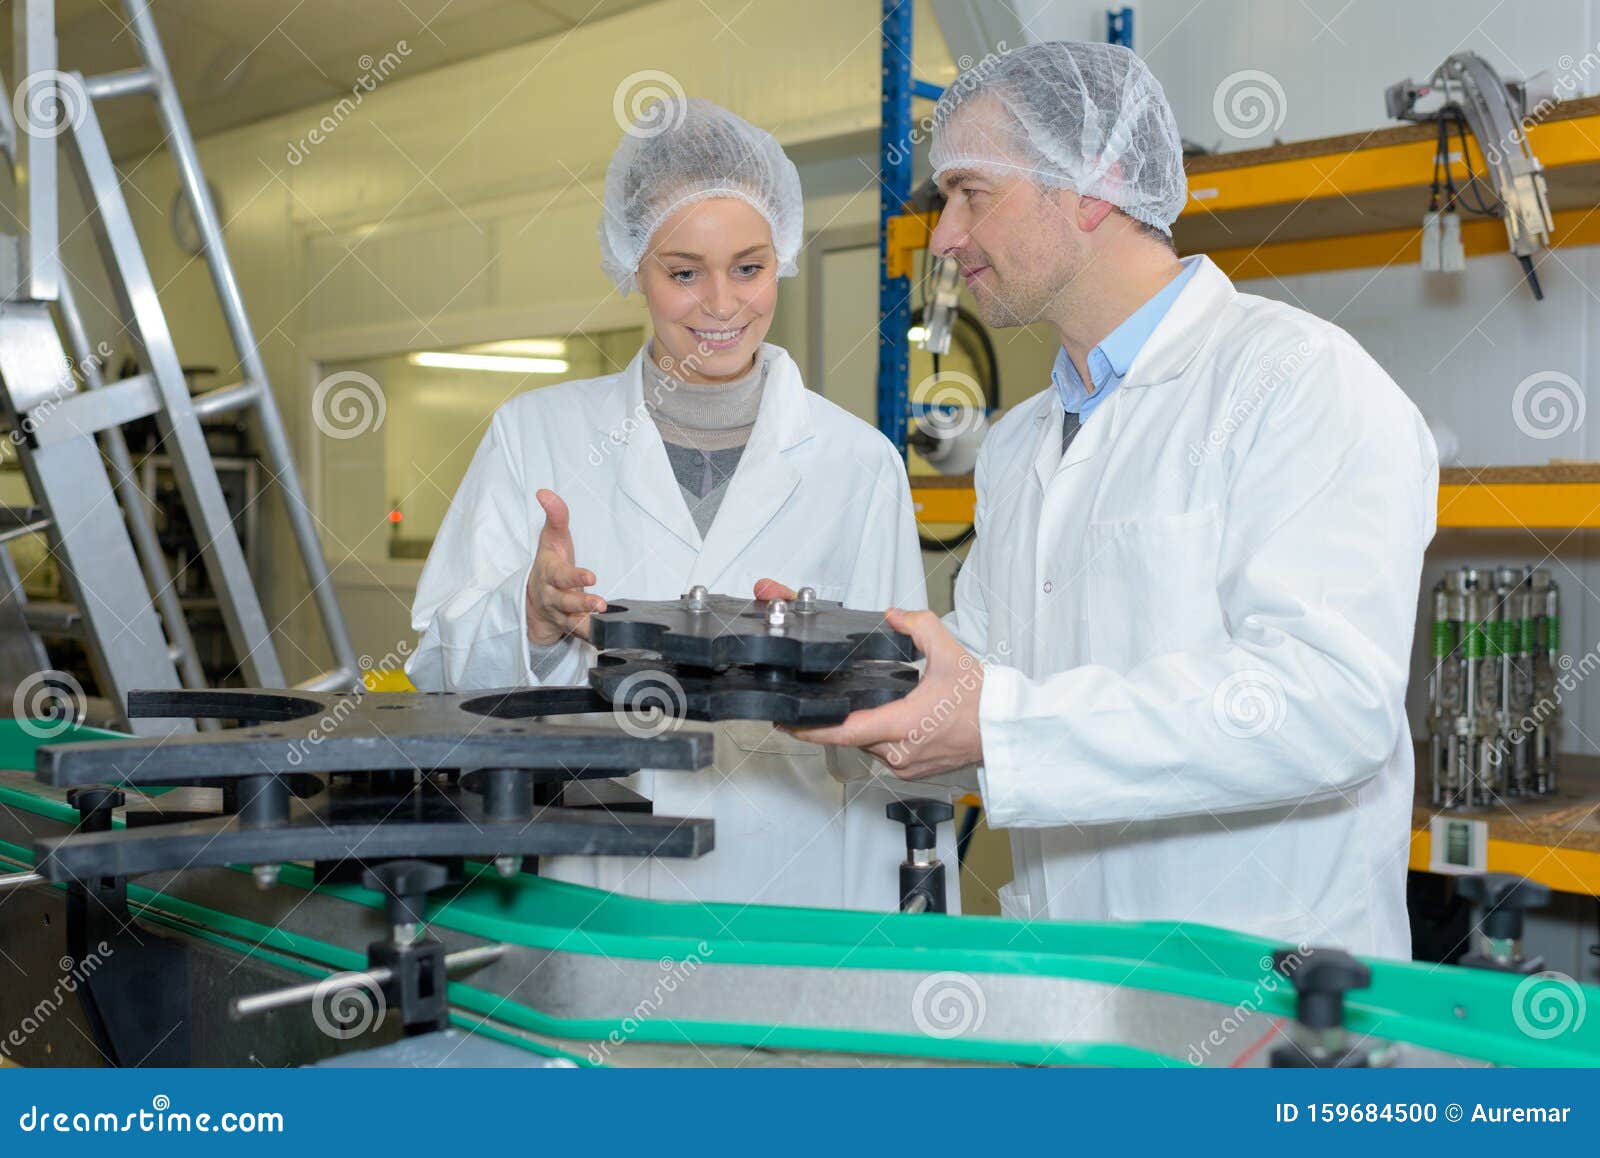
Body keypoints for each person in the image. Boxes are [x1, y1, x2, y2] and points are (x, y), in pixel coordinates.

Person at [766, 42, 1437, 957]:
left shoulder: (1299, 384)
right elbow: (999, 671)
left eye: (972, 192)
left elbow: (1325, 703)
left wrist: (1000, 725)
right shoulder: (1019, 443)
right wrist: (841, 670)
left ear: (1094, 183)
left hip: (1257, 994)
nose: (946, 237)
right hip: (1068, 982)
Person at [408, 97, 953, 911]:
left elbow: (904, 721)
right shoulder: (536, 436)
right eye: (684, 272)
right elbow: (434, 680)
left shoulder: (857, 463)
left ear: (783, 258)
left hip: (794, 882)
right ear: (634, 265)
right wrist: (529, 617)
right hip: (594, 880)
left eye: (749, 266)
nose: (723, 304)